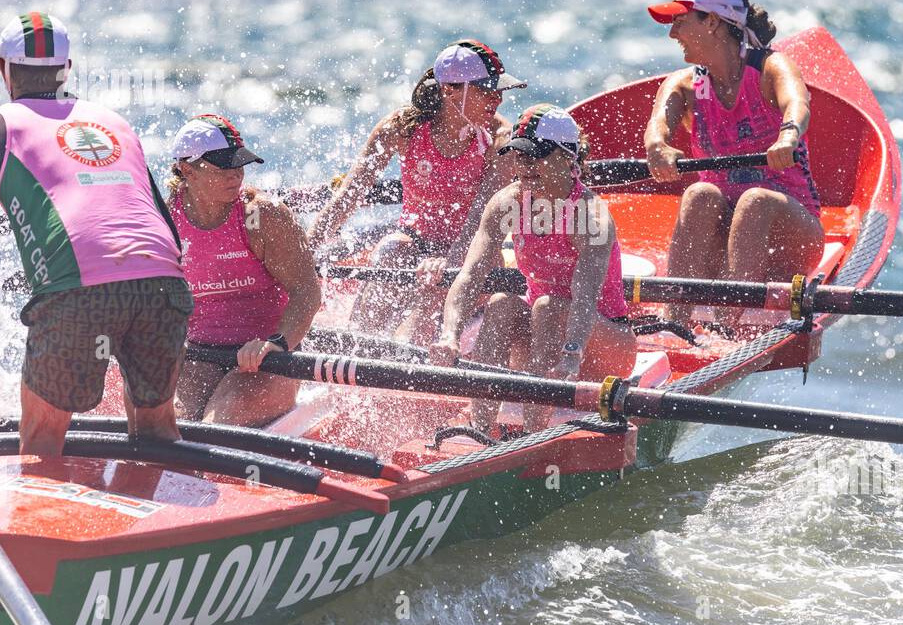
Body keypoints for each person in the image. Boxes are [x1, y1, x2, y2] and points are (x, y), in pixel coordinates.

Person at [0, 12, 190, 455]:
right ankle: (175, 506)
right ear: (67, 68)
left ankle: (43, 518)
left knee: (41, 443)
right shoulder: (114, 122)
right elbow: (165, 225)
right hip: (164, 285)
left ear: (4, 70)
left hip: (78, 293)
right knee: (157, 433)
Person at [431, 105, 635, 437]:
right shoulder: (505, 204)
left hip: (604, 346)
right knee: (500, 304)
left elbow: (584, 299)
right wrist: (448, 335)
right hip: (546, 345)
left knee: (548, 306)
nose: (524, 165)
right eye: (519, 155)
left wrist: (572, 353)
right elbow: (468, 276)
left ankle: (531, 437)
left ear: (568, 160)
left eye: (535, 156)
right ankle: (479, 430)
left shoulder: (589, 215)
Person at [644, 0, 824, 330]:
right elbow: (657, 130)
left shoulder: (771, 69)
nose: (672, 34)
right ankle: (674, 323)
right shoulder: (685, 86)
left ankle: (727, 328)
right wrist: (657, 149)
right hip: (723, 249)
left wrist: (788, 137)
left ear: (711, 22)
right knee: (699, 193)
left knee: (756, 200)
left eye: (680, 22)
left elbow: (797, 103)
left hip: (788, 241)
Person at [308, 41, 523, 340]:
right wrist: (303, 255)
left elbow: (480, 220)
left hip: (472, 255)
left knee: (429, 296)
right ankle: (356, 345)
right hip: (413, 243)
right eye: (486, 90)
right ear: (449, 90)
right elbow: (345, 200)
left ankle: (408, 346)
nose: (497, 99)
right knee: (391, 251)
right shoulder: (401, 129)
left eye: (500, 90)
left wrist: (447, 265)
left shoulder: (499, 139)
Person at [167, 115, 322, 427]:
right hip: (201, 354)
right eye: (223, 166)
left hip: (268, 357)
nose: (236, 174)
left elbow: (307, 292)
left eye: (239, 164)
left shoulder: (263, 216)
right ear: (187, 170)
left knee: (217, 426)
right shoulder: (163, 219)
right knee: (174, 426)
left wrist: (277, 342)